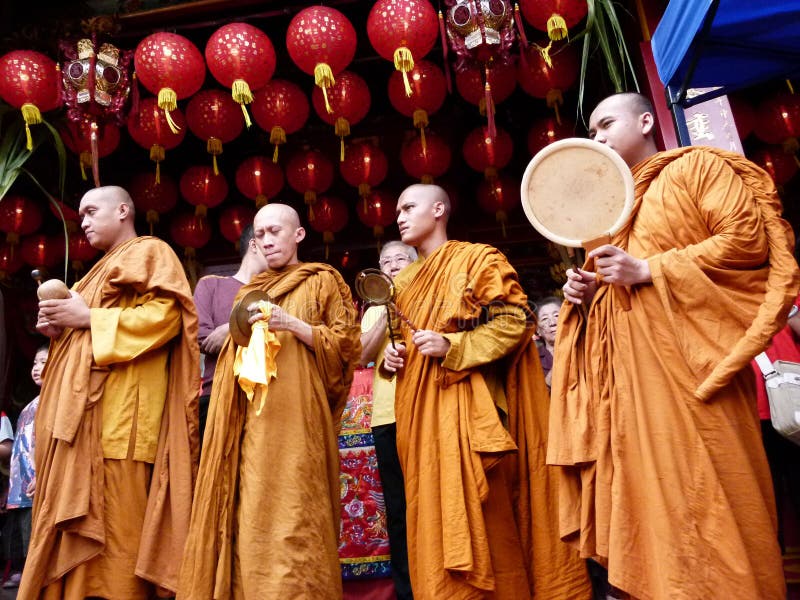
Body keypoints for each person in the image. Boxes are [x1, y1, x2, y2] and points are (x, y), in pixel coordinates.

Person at [551, 92, 800, 600]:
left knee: (717, 497)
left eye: (605, 124)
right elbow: (614, 303)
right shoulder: (605, 216)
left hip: (695, 376)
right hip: (631, 391)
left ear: (647, 120)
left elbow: (746, 239)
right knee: (648, 506)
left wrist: (651, 269)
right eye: (591, 130)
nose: (595, 138)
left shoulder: (699, 168)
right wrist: (586, 293)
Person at [382, 184, 592, 599]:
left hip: (471, 417)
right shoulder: (403, 282)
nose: (400, 216)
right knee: (432, 515)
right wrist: (394, 355)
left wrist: (453, 345)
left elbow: (514, 320)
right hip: (421, 420)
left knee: (484, 516)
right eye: (398, 209)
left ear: (439, 209)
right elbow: (406, 339)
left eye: (409, 207)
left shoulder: (476, 259)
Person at [22, 185, 199, 599]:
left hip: (123, 423)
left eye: (89, 211)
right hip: (81, 425)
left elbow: (166, 317)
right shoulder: (91, 275)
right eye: (80, 215)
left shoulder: (150, 252)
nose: (82, 222)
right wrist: (61, 328)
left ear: (123, 210)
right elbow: (84, 330)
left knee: (119, 533)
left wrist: (89, 318)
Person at [178, 203, 361, 599]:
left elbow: (347, 345)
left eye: (275, 231)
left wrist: (292, 324)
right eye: (259, 235)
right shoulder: (247, 293)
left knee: (297, 502)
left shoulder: (323, 280)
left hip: (299, 416)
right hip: (251, 419)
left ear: (298, 235)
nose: (266, 241)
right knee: (253, 503)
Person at [359, 240, 418, 600]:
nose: (393, 265)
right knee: (397, 509)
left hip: (425, 412)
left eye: (400, 259)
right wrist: (385, 312)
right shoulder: (372, 309)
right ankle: (408, 590)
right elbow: (362, 354)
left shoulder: (430, 296)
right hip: (386, 416)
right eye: (386, 261)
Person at [194, 223, 267, 445]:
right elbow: (205, 340)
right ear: (254, 244)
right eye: (268, 236)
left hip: (264, 396)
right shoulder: (211, 285)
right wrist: (256, 323)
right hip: (217, 392)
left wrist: (229, 329)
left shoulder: (277, 292)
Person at [3, 345, 47, 589]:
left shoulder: (56, 400)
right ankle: (23, 574)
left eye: (43, 362)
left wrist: (42, 474)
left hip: (38, 484)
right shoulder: (30, 406)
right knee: (20, 536)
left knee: (36, 537)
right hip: (20, 487)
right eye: (35, 363)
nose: (36, 368)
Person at [534, 296, 561, 388]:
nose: (552, 323)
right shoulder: (533, 359)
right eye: (545, 319)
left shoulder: (583, 348)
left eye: (557, 316)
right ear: (538, 330)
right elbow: (538, 395)